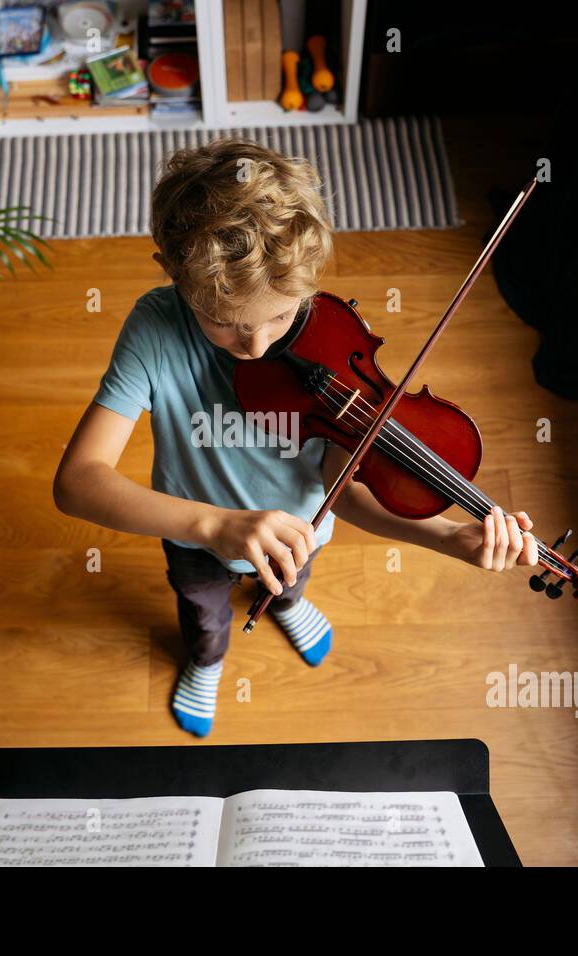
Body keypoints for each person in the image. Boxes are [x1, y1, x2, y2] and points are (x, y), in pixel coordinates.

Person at [53, 139, 537, 737]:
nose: (256, 346)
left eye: (280, 317)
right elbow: (77, 483)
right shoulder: (155, 328)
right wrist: (213, 525)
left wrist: (447, 536)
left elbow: (346, 488)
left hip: (301, 534)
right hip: (192, 535)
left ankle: (286, 605)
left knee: (289, 582)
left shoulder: (334, 347)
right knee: (204, 617)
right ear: (172, 273)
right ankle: (207, 662)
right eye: (224, 323)